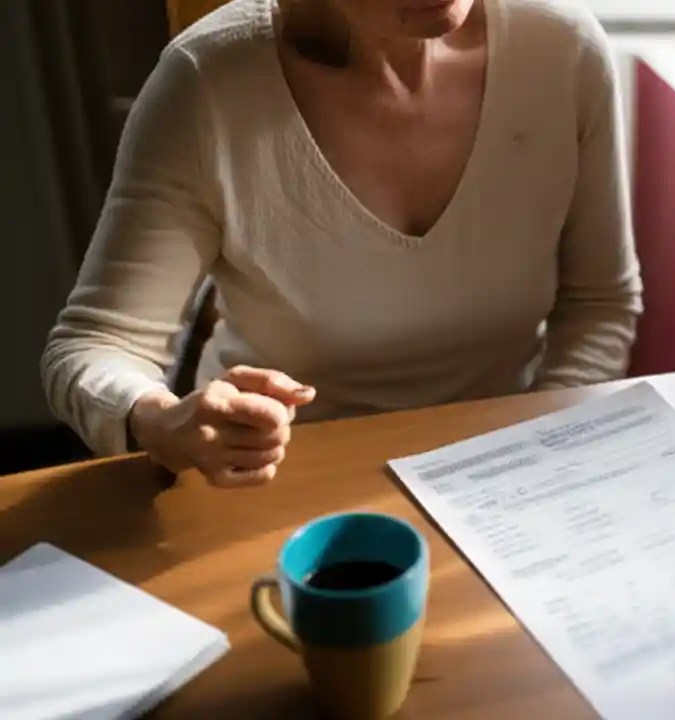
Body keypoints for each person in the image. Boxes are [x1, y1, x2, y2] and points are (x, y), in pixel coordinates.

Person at [41, 0, 642, 487]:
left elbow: (599, 303)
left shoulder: (562, 51)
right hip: (278, 481)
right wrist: (160, 419)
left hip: (508, 471)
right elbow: (93, 346)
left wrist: (540, 446)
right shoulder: (208, 84)